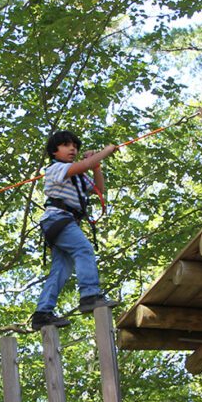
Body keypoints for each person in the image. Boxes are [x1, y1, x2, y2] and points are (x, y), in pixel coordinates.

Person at [32, 130, 118, 331]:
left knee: (61, 269)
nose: (72, 149)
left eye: (75, 146)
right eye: (66, 145)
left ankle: (42, 313)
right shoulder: (55, 169)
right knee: (84, 250)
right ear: (54, 151)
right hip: (57, 219)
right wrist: (106, 151)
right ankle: (89, 294)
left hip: (65, 222)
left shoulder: (78, 177)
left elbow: (99, 188)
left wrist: (96, 165)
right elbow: (84, 164)